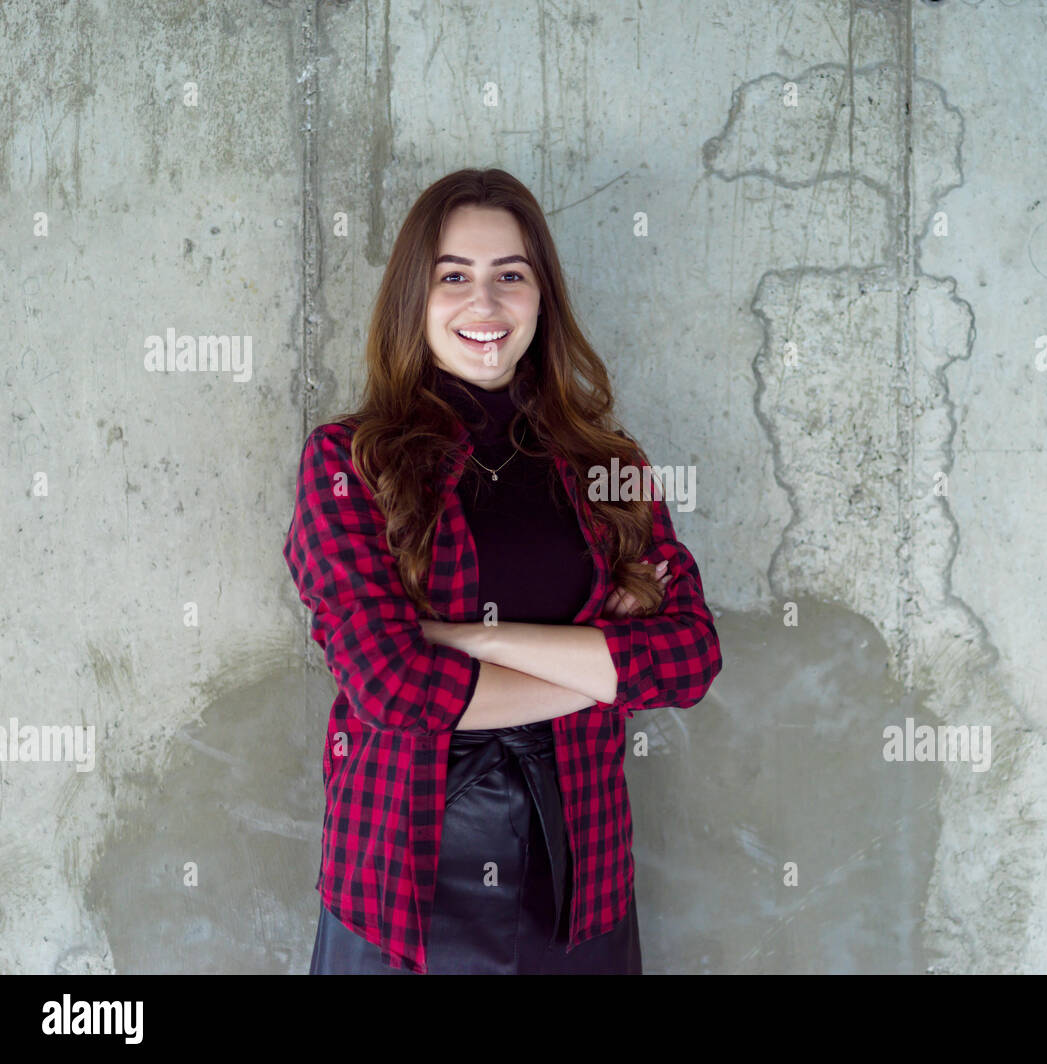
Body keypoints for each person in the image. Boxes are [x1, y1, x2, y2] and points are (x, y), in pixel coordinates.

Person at [282, 168, 723, 974]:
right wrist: (609, 669)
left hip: (579, 882)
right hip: (401, 887)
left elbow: (693, 659)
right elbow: (391, 688)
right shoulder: (347, 463)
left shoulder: (607, 470)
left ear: (541, 297)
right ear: (415, 298)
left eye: (509, 277)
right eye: (454, 277)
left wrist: (461, 640)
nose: (483, 306)